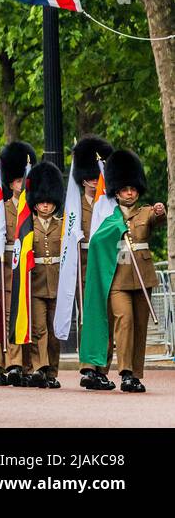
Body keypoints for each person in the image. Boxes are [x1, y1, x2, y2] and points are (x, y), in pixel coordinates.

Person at [105, 149, 166, 394]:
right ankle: (125, 372)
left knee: (140, 326)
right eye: (125, 189)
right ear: (117, 192)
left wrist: (160, 211)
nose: (129, 192)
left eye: (132, 188)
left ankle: (136, 375)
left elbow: (157, 219)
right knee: (125, 321)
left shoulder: (146, 212)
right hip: (118, 279)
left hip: (143, 277)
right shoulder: (110, 217)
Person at [71, 136, 115, 390]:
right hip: (82, 264)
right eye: (88, 175)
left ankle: (102, 368)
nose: (92, 179)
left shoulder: (108, 201)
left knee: (105, 316)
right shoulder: (74, 204)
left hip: (104, 262)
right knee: (86, 316)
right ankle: (88, 366)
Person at [0, 141, 36, 386]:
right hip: (9, 267)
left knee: (27, 314)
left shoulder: (34, 208)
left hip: (28, 267)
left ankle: (28, 364)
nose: (22, 184)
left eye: (24, 180)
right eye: (18, 181)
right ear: (10, 184)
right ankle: (14, 363)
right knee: (11, 314)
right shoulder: (3, 208)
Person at [25, 161, 64, 388]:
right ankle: (39, 367)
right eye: (41, 201)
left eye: (49, 201)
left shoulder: (62, 226)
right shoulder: (28, 226)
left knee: (54, 330)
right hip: (36, 282)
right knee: (39, 328)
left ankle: (52, 372)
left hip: (57, 282)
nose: (46, 205)